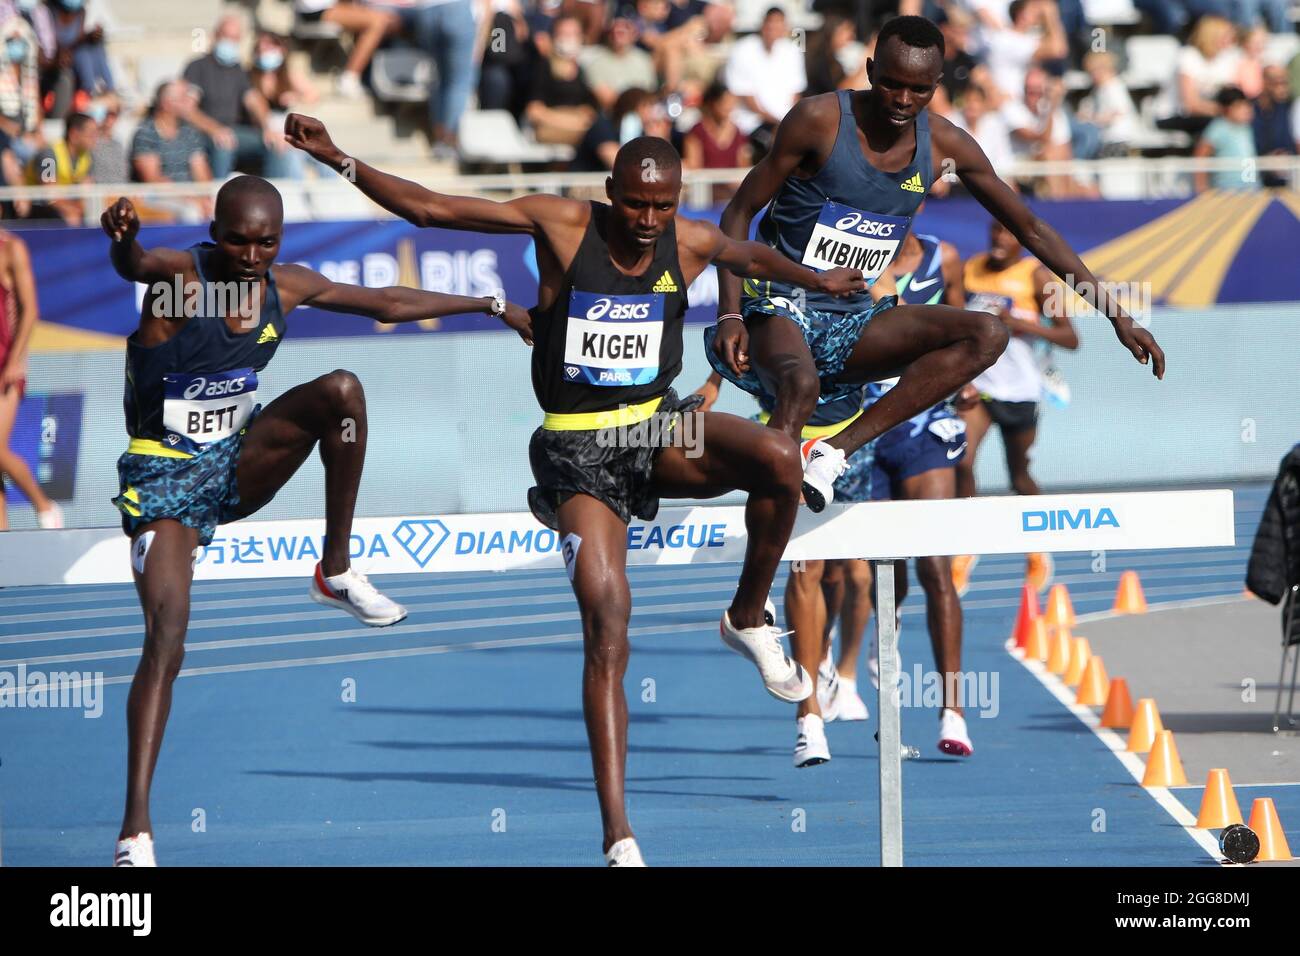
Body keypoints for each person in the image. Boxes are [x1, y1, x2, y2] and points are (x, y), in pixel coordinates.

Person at [283, 112, 866, 865]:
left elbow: (744, 251)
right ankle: (618, 833)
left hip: (657, 431)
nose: (648, 220)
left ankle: (747, 616)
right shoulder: (558, 225)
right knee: (608, 623)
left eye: (662, 205)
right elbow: (431, 209)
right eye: (634, 204)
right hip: (577, 448)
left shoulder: (687, 241)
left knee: (782, 459)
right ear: (610, 193)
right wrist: (339, 157)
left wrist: (816, 279)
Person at [101, 177, 535, 867]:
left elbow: (390, 303)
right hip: (164, 480)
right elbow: (137, 266)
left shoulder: (288, 284)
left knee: (341, 392)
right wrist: (122, 239)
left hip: (237, 464)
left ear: (281, 239)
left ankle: (335, 568)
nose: (251, 254)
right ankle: (136, 831)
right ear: (215, 233)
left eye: (266, 241)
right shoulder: (183, 281)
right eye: (238, 240)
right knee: (168, 636)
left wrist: (493, 303)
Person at [706, 14, 1162, 523]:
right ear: (870, 68)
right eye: (893, 83)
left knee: (987, 334)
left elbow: (1032, 229)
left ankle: (834, 451)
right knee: (800, 387)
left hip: (851, 318)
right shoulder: (818, 121)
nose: (903, 100)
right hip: (780, 300)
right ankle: (757, 588)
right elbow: (737, 213)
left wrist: (1116, 314)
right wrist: (729, 313)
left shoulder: (946, 145)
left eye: (919, 89)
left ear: (936, 85)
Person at [953, 219, 1079, 595]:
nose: (998, 239)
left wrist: (1021, 325)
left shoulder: (1038, 277)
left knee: (1019, 475)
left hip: (1022, 389)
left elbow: (1070, 337)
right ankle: (965, 548)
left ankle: (1037, 551)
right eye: (994, 231)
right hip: (981, 388)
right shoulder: (969, 269)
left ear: (1021, 241)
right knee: (961, 459)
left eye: (1008, 233)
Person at [0, 226, 62, 530]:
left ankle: (44, 507)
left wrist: (14, 361)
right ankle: (4, 538)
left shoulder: (11, 248)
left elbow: (30, 310)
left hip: (5, 365)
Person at [182, 13, 294, 179]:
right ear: (216, 35)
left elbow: (254, 100)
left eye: (235, 38)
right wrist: (214, 129)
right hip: (203, 132)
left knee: (275, 144)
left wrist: (267, 128)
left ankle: (276, 196)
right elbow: (187, 109)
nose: (230, 42)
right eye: (227, 36)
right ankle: (217, 196)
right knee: (223, 144)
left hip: (234, 132)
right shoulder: (197, 66)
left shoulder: (239, 70)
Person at [294, 0, 401, 98]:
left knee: (388, 20)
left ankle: (366, 76)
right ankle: (349, 78)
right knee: (377, 22)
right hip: (315, 10)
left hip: (330, 7)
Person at [26, 108, 95, 225]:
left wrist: (77, 208)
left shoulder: (87, 157)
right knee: (69, 217)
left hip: (63, 206)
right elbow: (49, 195)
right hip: (35, 207)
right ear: (74, 134)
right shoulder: (48, 155)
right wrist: (71, 210)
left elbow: (85, 194)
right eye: (91, 134)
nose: (95, 139)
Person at [1193, 85, 1259, 192]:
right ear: (1225, 109)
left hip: (1251, 189)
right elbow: (1201, 157)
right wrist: (1201, 188)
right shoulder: (1218, 128)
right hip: (1226, 190)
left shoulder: (1248, 128)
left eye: (1247, 105)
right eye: (1239, 106)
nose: (1246, 110)